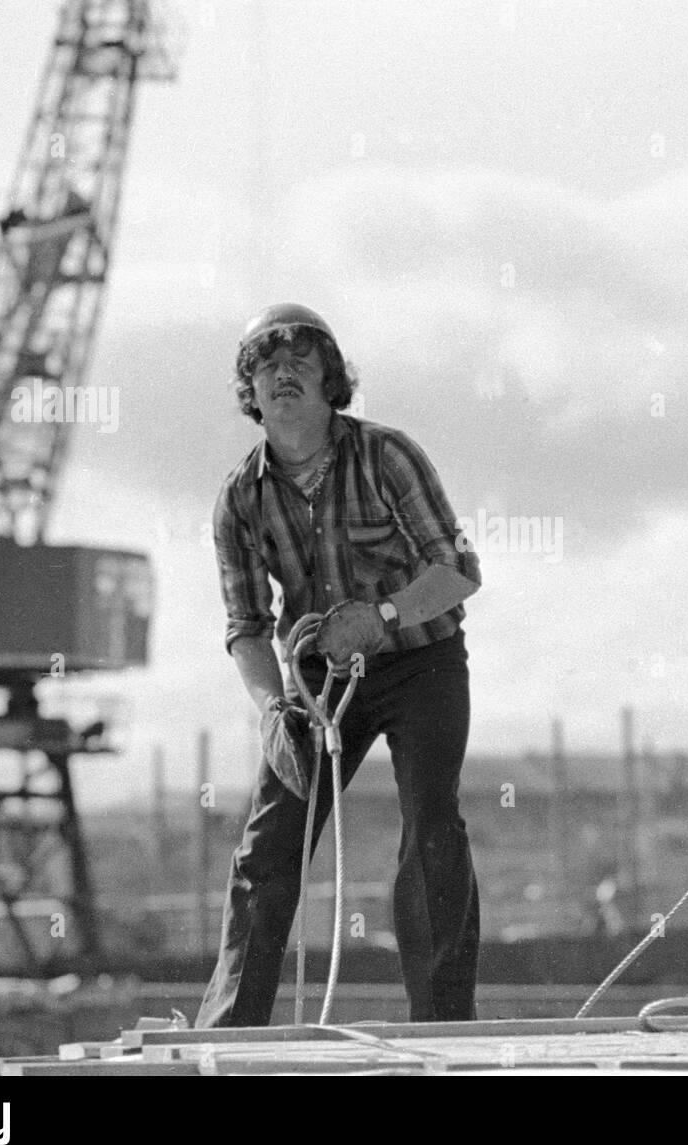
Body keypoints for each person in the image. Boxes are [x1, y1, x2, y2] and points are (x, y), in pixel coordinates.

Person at [196, 303, 482, 1026]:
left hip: (424, 660)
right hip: (320, 689)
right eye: (265, 363)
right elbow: (247, 626)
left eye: (300, 359)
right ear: (251, 393)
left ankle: (442, 1024)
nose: (282, 373)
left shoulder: (387, 455)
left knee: (431, 829)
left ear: (332, 381)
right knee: (268, 846)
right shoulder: (238, 498)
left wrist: (382, 616)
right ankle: (229, 1030)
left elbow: (456, 570)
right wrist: (272, 709)